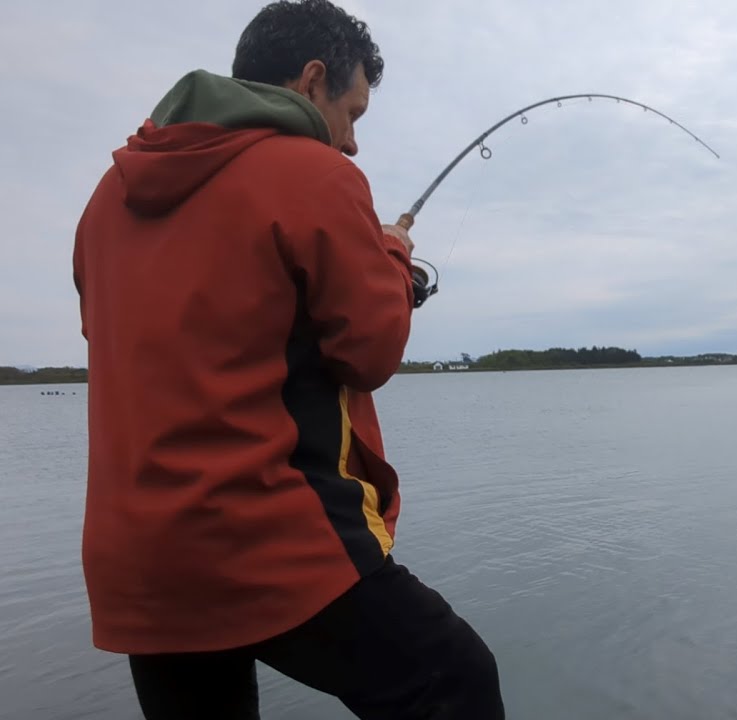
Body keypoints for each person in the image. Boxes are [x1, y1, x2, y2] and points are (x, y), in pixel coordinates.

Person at [71, 2, 504, 718]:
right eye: (354, 113)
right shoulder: (313, 173)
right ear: (311, 82)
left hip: (137, 562)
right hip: (264, 540)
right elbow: (371, 350)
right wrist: (392, 253)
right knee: (454, 678)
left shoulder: (106, 199)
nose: (354, 144)